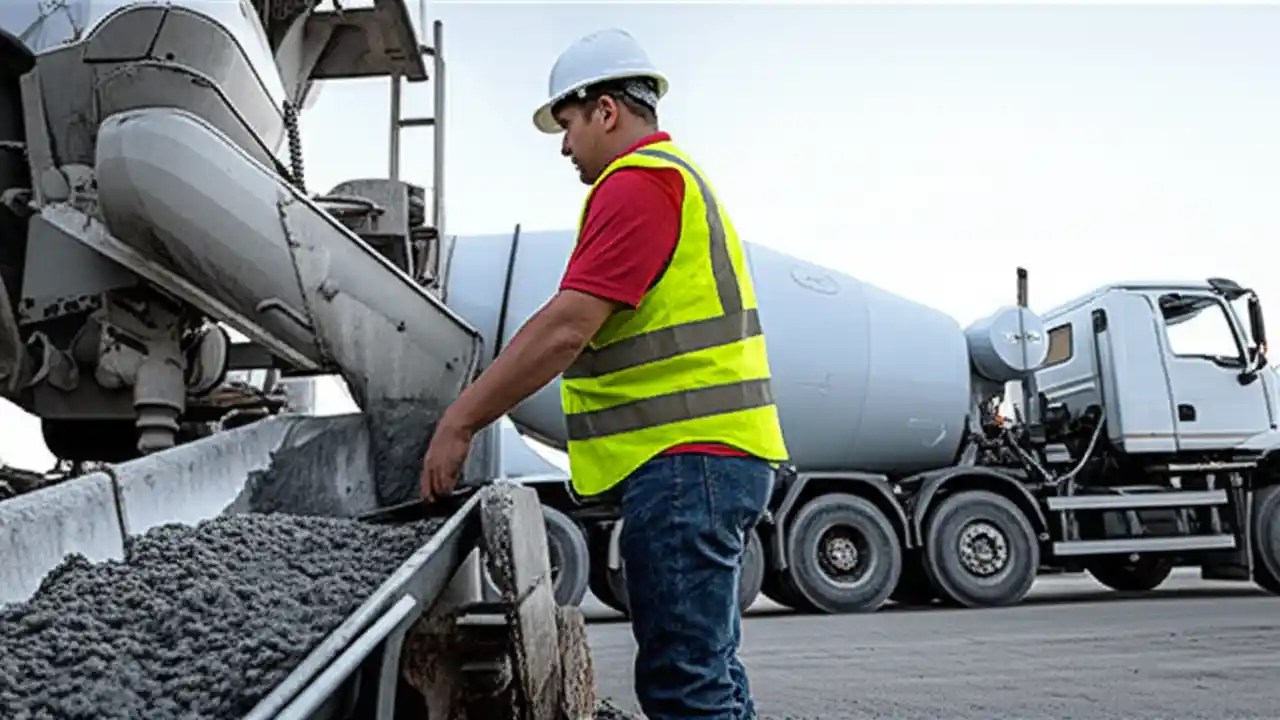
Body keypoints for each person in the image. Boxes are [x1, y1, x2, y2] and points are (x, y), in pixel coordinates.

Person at [419, 27, 790, 720]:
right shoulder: (673, 180)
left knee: (686, 687)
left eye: (567, 125)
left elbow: (566, 329)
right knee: (708, 672)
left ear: (607, 111)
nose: (564, 146)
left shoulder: (640, 185)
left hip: (688, 463)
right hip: (709, 458)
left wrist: (461, 418)